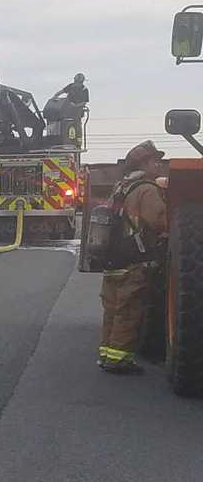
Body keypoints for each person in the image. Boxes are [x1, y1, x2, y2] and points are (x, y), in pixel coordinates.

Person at [98, 140, 167, 375]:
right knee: (128, 312)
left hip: (112, 260)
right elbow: (159, 220)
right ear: (144, 164)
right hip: (133, 261)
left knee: (113, 309)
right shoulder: (146, 189)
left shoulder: (121, 187)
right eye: (155, 161)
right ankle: (119, 360)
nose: (159, 165)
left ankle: (106, 354)